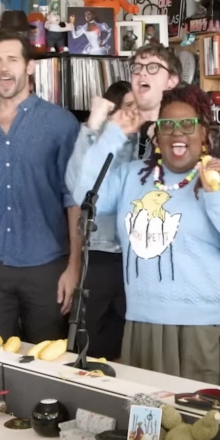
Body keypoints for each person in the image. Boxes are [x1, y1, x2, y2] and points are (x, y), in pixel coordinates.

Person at [74, 84, 220, 385]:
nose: (178, 133)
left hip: (203, 326)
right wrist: (105, 133)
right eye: (167, 125)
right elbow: (84, 192)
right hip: (143, 323)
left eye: (188, 124)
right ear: (156, 136)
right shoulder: (131, 175)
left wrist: (218, 196)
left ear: (204, 134)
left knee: (201, 425)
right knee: (147, 424)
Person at [0, 30, 81, 345]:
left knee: (50, 366)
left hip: (47, 266)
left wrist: (74, 268)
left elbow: (74, 199)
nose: (4, 68)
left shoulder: (61, 124)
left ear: (28, 67)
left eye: (12, 59)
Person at [64, 81, 135, 358]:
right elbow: (75, 185)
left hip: (135, 256)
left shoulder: (146, 141)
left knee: (130, 339)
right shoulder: (99, 142)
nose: (133, 113)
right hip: (101, 252)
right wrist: (93, 126)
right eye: (127, 107)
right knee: (93, 340)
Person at [127, 44, 183, 158]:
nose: (142, 72)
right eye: (137, 67)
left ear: (171, 81)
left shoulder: (182, 131)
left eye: (153, 67)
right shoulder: (113, 129)